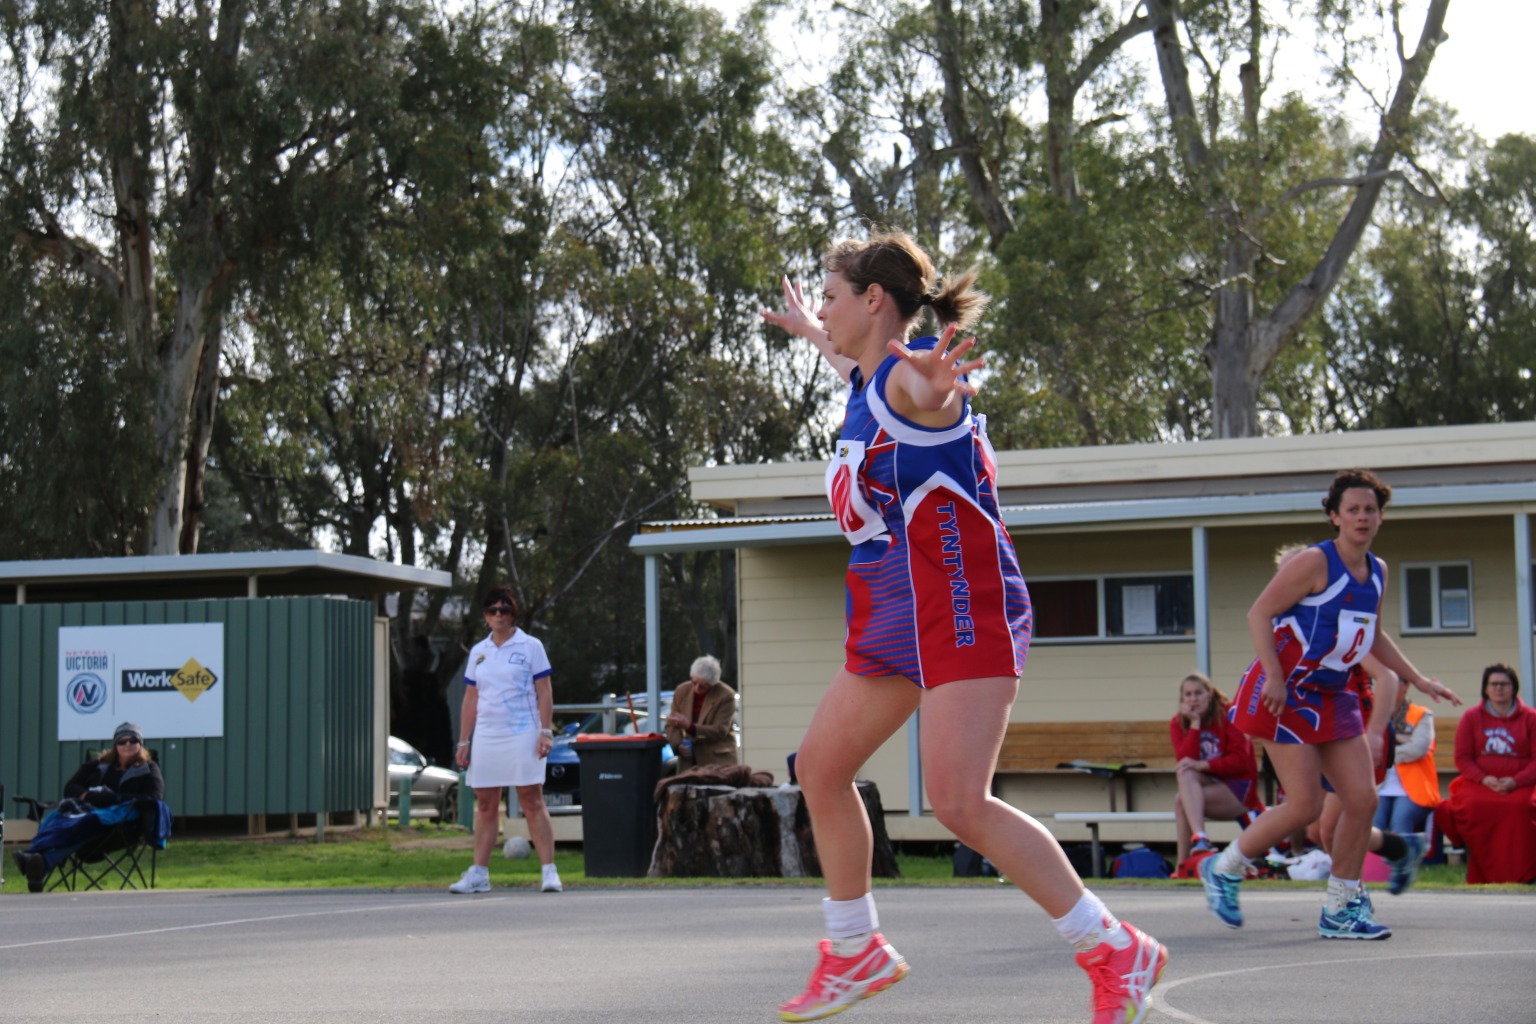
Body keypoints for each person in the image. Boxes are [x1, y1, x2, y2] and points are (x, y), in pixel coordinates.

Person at [762, 231, 1165, 1024]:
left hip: (958, 600)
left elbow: (929, 399)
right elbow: (857, 366)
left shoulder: (913, 383)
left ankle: (1111, 946)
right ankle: (854, 949)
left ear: (874, 300)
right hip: (894, 606)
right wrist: (813, 331)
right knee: (819, 766)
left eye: (834, 296)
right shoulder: (868, 381)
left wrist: (941, 387)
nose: (828, 308)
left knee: (958, 801)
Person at [1200, 469, 1460, 940]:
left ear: (1381, 518)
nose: (1362, 517)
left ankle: (1341, 908)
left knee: (1362, 799)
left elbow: (1372, 635)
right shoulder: (1314, 563)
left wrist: (1417, 677)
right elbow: (1258, 613)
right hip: (1286, 690)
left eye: (1370, 510)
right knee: (1304, 806)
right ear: (1334, 516)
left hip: (1332, 690)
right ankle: (1224, 868)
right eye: (1353, 510)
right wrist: (1275, 677)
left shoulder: (1377, 571)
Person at [451, 586, 562, 895]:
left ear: (514, 613)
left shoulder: (531, 646)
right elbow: (471, 698)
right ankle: (479, 874)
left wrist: (545, 731)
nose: (498, 615)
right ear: (485, 615)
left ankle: (549, 872)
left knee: (531, 799)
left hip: (522, 732)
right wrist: (464, 741)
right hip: (487, 734)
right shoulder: (479, 651)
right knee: (486, 805)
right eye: (492, 610)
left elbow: (544, 691)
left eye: (504, 610)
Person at [10, 721, 166, 893]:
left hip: (123, 825)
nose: (127, 744)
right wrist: (89, 795)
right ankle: (39, 862)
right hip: (87, 812)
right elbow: (70, 787)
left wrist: (116, 799)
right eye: (122, 741)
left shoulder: (148, 769)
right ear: (115, 745)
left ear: (140, 744)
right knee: (58, 818)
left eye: (133, 740)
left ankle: (37, 860)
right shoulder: (97, 765)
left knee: (86, 823)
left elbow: (154, 797)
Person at [1440, 663, 1536, 883]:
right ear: (1485, 688)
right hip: (1481, 782)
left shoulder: (1530, 718)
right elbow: (1463, 758)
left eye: (1504, 684)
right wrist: (1484, 779)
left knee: (1521, 808)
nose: (1499, 689)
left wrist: (1516, 781)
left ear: (1514, 688)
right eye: (1494, 684)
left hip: (1521, 784)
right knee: (1473, 807)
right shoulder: (1472, 718)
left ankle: (1525, 874)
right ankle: (1482, 872)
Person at [1170, 672, 1262, 864]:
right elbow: (1185, 759)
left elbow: (1241, 762)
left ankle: (1187, 857)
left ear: (1209, 694)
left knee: (1182, 800)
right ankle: (1188, 857)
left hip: (1238, 791)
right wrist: (1195, 725)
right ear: (1182, 698)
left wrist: (1204, 764)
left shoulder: (1228, 715)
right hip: (1208, 785)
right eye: (1188, 694)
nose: (1193, 699)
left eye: (1198, 693)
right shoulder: (1179, 722)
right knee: (1185, 776)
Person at [1375, 685, 1440, 836]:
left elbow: (1418, 749)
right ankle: (1373, 861)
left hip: (1413, 789)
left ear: (1405, 686)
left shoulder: (1421, 714)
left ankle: (1403, 859)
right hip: (1379, 786)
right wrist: (1403, 741)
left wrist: (1385, 753)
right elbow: (1364, 748)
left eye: (1393, 682)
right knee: (1373, 823)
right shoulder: (1372, 714)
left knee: (1400, 821)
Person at [664, 655, 739, 768]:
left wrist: (690, 727)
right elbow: (671, 725)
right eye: (694, 682)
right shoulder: (682, 691)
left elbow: (720, 730)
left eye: (703, 686)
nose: (697, 688)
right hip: (688, 760)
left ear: (713, 684)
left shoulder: (726, 695)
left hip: (718, 760)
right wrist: (678, 744)